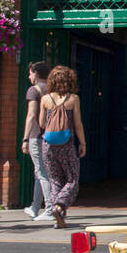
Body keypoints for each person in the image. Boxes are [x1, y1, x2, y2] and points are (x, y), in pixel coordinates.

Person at [39, 65, 86, 228]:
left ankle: (56, 213)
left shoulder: (45, 99)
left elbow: (41, 123)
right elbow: (78, 124)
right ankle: (60, 206)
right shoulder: (73, 99)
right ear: (69, 81)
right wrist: (83, 143)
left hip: (48, 145)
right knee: (72, 179)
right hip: (66, 144)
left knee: (54, 180)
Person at [22, 60, 53, 219]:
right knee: (40, 172)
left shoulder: (34, 90)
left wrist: (25, 139)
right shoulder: (53, 90)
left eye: (30, 73)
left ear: (36, 73)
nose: (29, 76)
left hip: (37, 135)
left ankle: (49, 209)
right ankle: (35, 207)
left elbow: (31, 115)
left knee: (42, 173)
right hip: (51, 136)